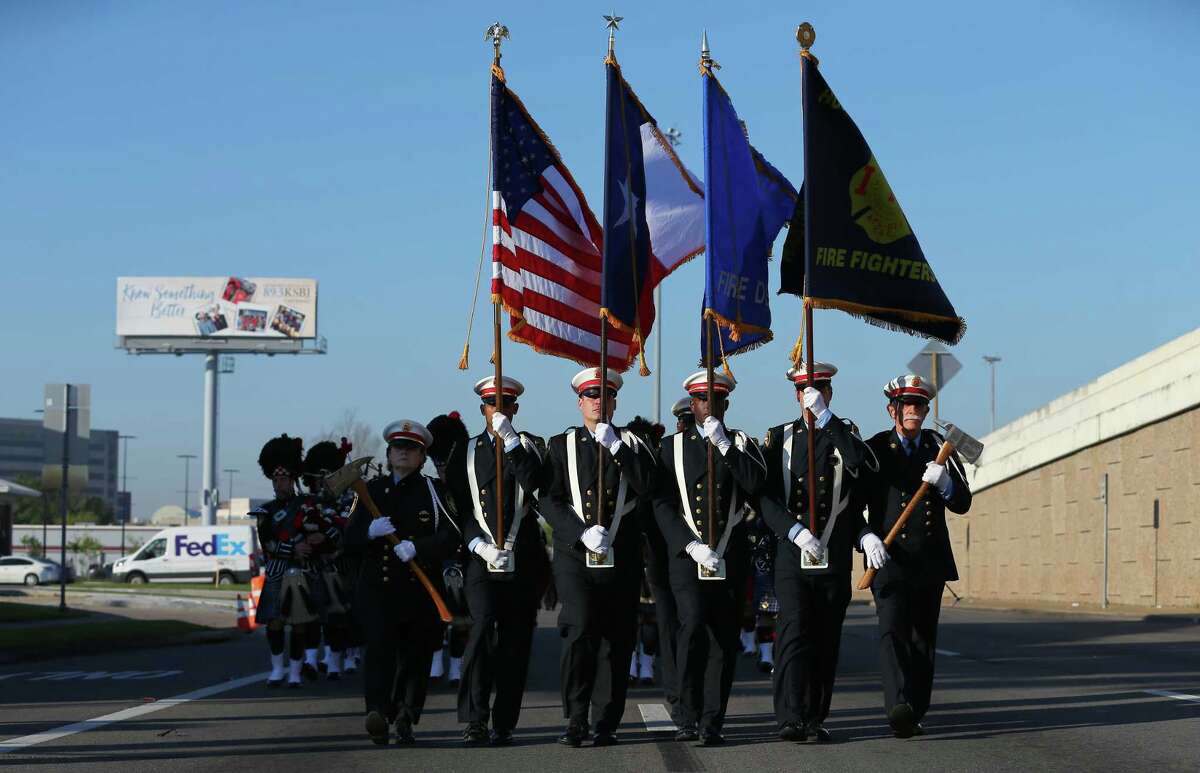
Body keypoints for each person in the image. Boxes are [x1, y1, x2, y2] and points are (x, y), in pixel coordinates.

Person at [758, 362, 877, 743]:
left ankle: (815, 717)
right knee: (793, 633)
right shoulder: (778, 438)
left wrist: (826, 419)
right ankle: (790, 717)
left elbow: (861, 468)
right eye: (807, 390)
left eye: (821, 389)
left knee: (826, 639)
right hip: (793, 555)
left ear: (829, 393)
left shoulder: (845, 434)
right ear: (796, 395)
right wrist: (793, 531)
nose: (813, 395)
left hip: (833, 554)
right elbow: (764, 498)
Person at [539, 367, 656, 747]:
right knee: (580, 627)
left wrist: (618, 448)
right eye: (591, 395)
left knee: (617, 639)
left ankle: (606, 721)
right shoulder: (561, 445)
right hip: (575, 555)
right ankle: (576, 717)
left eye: (605, 395)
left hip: (621, 555)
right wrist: (579, 532)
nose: (598, 401)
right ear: (579, 403)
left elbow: (649, 487)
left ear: (615, 402)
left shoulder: (633, 443)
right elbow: (549, 499)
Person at [653, 371, 766, 746]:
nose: (709, 406)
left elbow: (755, 486)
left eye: (716, 400)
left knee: (724, 638)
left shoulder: (741, 443)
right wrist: (689, 544)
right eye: (702, 400)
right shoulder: (671, 447)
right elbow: (662, 503)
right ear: (693, 404)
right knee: (693, 625)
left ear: (726, 405)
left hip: (729, 555)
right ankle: (687, 714)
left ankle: (712, 720)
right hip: (689, 557)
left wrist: (725, 447)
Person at [862, 375, 972, 738]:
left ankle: (916, 709)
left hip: (929, 559)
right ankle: (898, 706)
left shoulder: (939, 446)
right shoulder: (875, 449)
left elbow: (963, 502)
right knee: (892, 631)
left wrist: (946, 483)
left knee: (922, 639)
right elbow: (853, 503)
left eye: (920, 405)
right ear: (891, 409)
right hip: (888, 558)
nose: (913, 410)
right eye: (906, 404)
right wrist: (865, 538)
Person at [442, 377, 547, 747]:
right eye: (491, 404)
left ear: (515, 408)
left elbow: (537, 487)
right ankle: (475, 720)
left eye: (505, 404)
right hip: (481, 560)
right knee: (482, 628)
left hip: (523, 560)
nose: (497, 410)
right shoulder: (465, 452)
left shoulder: (531, 446)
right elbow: (457, 507)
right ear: (482, 408)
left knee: (516, 643)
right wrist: (477, 544)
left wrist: (512, 442)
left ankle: (504, 722)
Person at [344, 420, 460, 746]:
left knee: (415, 656)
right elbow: (348, 541)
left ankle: (407, 716)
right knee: (378, 652)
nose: (404, 453)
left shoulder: (434, 491)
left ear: (422, 457)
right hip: (378, 589)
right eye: (398, 448)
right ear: (389, 453)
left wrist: (419, 547)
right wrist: (368, 532)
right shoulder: (370, 491)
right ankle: (377, 713)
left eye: (411, 449)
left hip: (419, 589)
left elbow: (452, 536)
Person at [251, 434, 333, 688]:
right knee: (274, 623)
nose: (279, 484)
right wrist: (293, 548)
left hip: (305, 571)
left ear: (293, 479)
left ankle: (296, 672)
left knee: (300, 624)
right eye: (275, 480)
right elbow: (268, 544)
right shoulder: (266, 511)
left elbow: (328, 532)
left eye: (283, 479)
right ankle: (277, 669)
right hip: (278, 571)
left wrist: (318, 539)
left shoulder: (310, 504)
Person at [300, 438, 358, 681]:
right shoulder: (307, 503)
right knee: (312, 614)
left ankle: (338, 658)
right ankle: (312, 660)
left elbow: (350, 529)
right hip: (314, 567)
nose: (320, 483)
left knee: (340, 615)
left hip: (342, 566)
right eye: (317, 478)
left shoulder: (350, 499)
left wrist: (326, 536)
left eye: (325, 477)